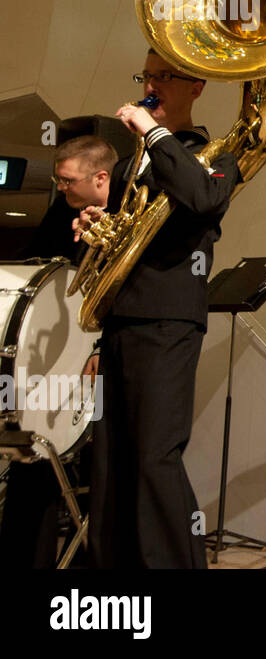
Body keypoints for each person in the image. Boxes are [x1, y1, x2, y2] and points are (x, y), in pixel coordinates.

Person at [79, 52, 240, 569]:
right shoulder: (131, 164)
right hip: (122, 322)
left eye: (163, 76)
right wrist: (97, 227)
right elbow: (125, 250)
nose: (151, 84)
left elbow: (202, 198)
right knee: (109, 461)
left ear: (195, 85)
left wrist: (152, 131)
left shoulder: (212, 152)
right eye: (146, 76)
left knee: (153, 457)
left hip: (168, 320)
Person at [0, 135, 116, 569]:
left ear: (100, 177)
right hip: (54, 357)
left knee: (95, 460)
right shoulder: (61, 210)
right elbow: (35, 269)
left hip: (98, 361)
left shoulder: (126, 212)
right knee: (35, 452)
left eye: (68, 181)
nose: (61, 188)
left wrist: (103, 347)